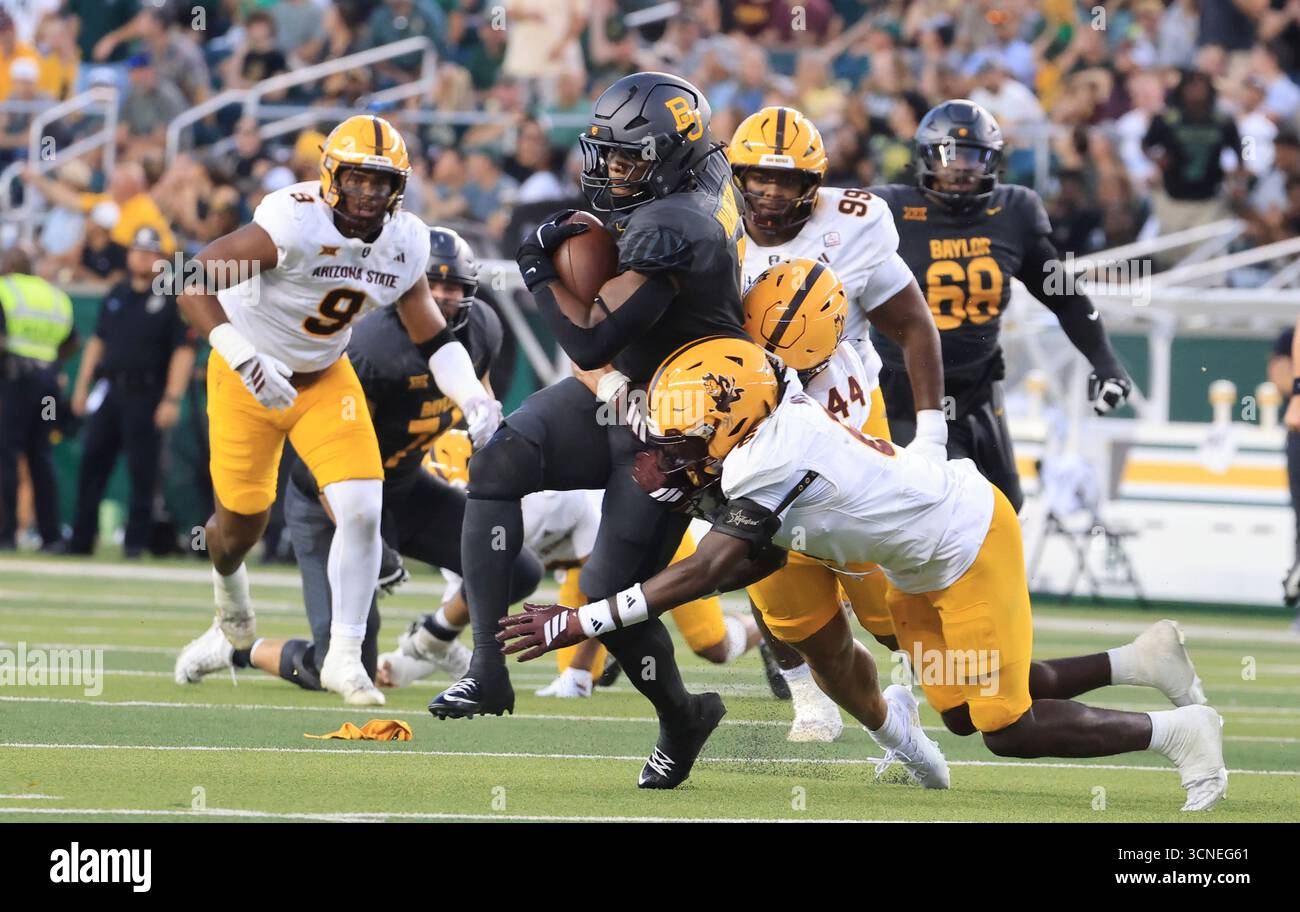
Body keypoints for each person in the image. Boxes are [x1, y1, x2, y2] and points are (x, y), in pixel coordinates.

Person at [500, 335, 1229, 811]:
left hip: (970, 545)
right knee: (961, 706)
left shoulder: (768, 462)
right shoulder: (764, 413)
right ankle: (1137, 659)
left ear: (732, 426)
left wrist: (577, 620)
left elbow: (708, 570)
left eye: (686, 436)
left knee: (1003, 725)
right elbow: (734, 551)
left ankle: (1181, 733)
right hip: (915, 564)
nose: (671, 450)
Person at [430, 72, 748, 791]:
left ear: (671, 158)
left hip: (673, 428)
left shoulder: (679, 222)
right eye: (607, 154)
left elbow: (587, 340)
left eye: (631, 159)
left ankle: (682, 716)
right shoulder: (697, 174)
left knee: (607, 596)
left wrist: (537, 266)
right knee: (499, 461)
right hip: (623, 392)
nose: (610, 172)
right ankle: (486, 666)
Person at [177, 115, 501, 706]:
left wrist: (474, 396)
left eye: (381, 184)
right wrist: (243, 356)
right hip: (245, 373)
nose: (368, 195)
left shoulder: (406, 240)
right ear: (331, 175)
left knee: (361, 507)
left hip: (324, 377)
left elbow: (431, 337)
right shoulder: (290, 222)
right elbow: (189, 278)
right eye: (357, 179)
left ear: (398, 189)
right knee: (238, 528)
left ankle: (346, 661)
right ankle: (231, 601)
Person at [728, 104, 944, 742]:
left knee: (885, 600)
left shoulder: (853, 225)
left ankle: (951, 672)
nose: (769, 194)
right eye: (757, 179)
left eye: (787, 180)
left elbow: (911, 323)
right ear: (736, 177)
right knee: (759, 568)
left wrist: (930, 431)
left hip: (847, 425)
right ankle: (807, 696)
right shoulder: (708, 231)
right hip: (756, 437)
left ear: (813, 184)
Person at [871, 100, 1132, 512]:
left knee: (1005, 507)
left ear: (992, 161)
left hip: (977, 387)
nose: (960, 167)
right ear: (924, 156)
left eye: (973, 155)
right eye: (947, 154)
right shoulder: (886, 211)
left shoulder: (1012, 212)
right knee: (933, 504)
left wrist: (1105, 361)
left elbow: (1063, 297)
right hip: (903, 388)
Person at [65, 226, 195, 556]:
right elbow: (98, 341)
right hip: (111, 388)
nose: (142, 256)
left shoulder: (171, 297)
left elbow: (183, 350)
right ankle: (81, 539)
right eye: (138, 250)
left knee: (143, 470)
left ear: (162, 260)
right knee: (92, 462)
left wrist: (172, 397)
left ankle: (135, 543)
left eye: (150, 252)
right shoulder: (117, 293)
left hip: (147, 391)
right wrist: (83, 386)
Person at [0, 245, 77, 551]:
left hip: (13, 381)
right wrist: (53, 364)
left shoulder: (5, 290)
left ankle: (5, 535)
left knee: (6, 455)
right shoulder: (54, 296)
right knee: (41, 456)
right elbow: (72, 342)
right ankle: (50, 535)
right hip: (48, 387)